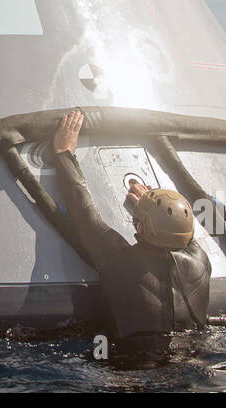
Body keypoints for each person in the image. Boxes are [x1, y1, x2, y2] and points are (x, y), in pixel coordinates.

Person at [50, 110, 211, 340]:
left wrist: (63, 153)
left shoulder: (120, 260)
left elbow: (83, 211)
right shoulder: (202, 261)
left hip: (134, 367)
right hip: (192, 352)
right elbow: (182, 232)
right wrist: (155, 205)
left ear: (142, 228)